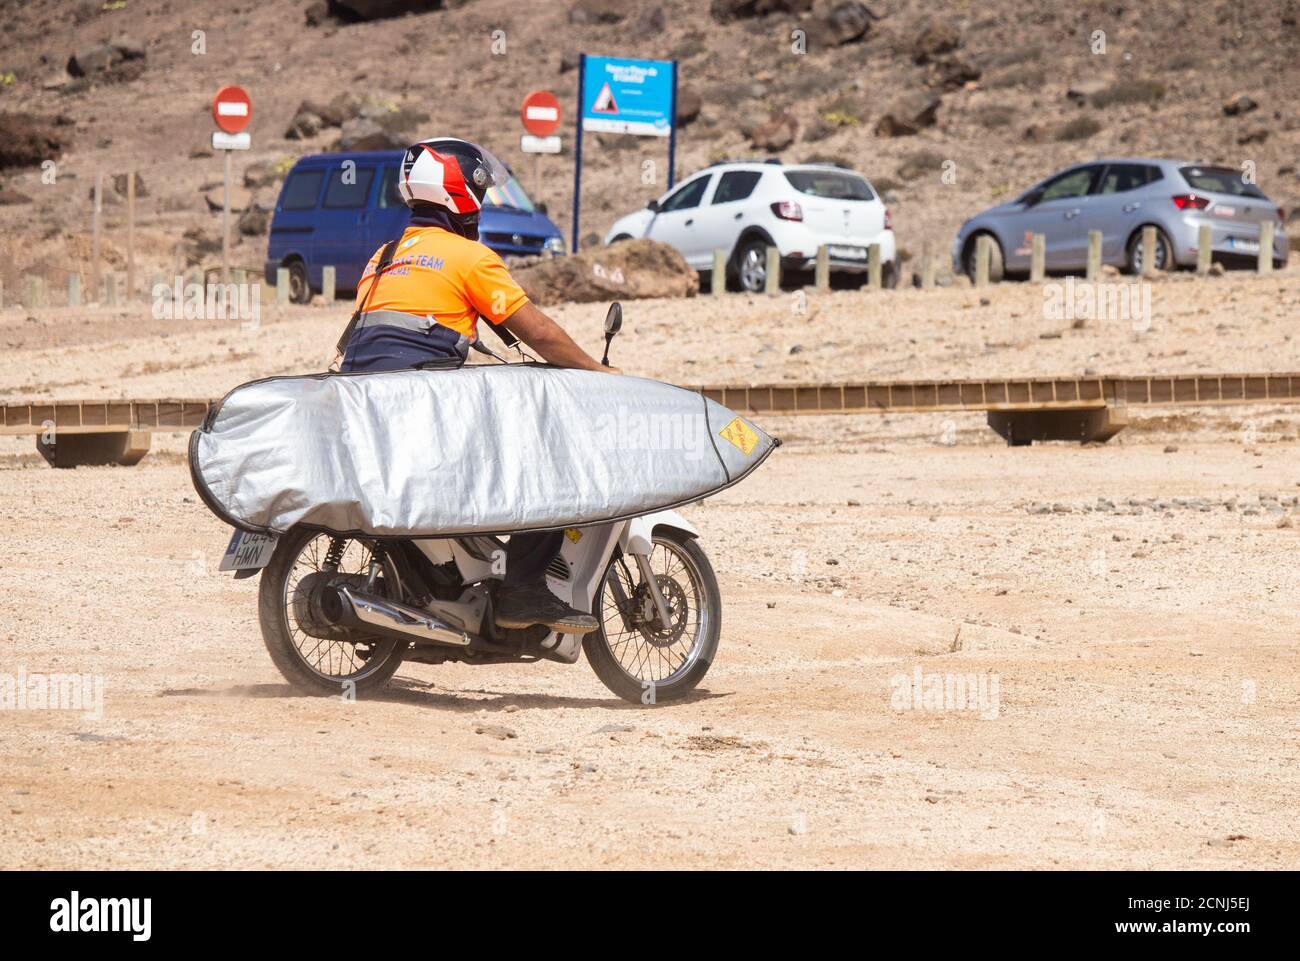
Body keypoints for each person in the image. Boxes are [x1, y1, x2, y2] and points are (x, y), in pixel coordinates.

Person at [336, 137, 611, 636]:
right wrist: (598, 371)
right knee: (554, 458)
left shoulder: (383, 256)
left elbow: (394, 337)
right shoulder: (469, 257)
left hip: (366, 414)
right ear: (461, 193)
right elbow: (539, 333)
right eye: (478, 189)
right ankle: (523, 587)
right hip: (422, 414)